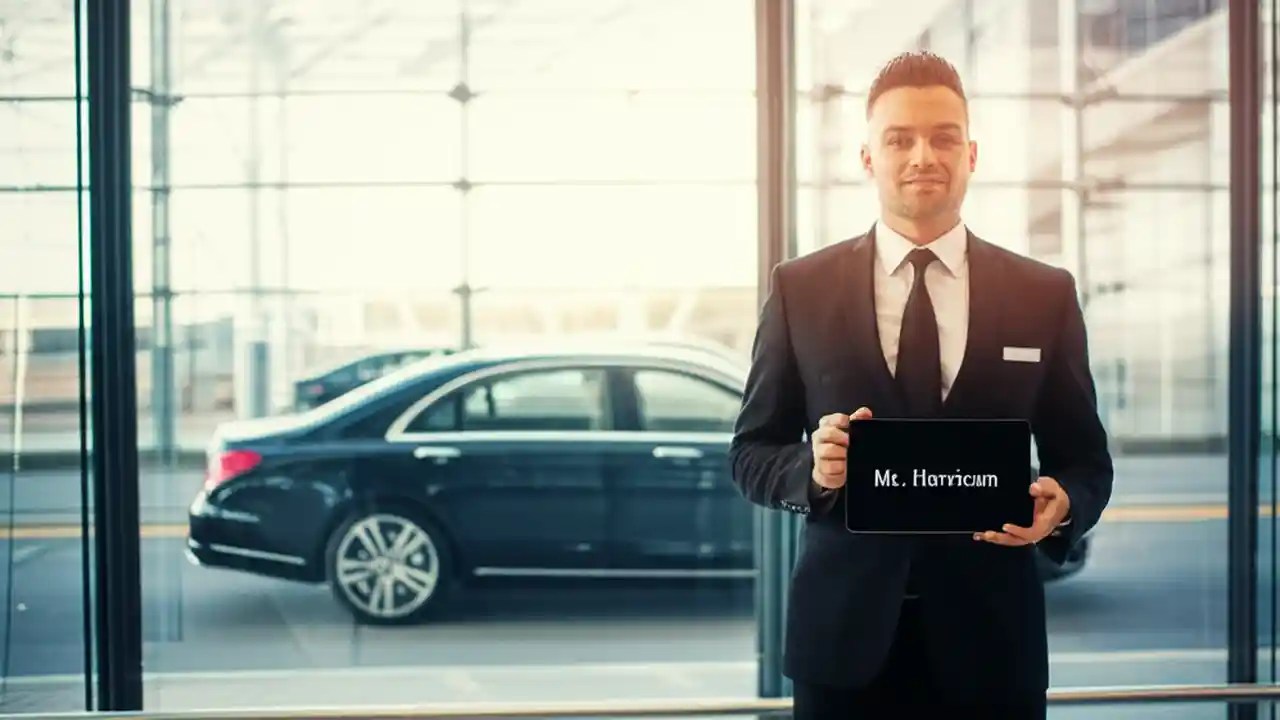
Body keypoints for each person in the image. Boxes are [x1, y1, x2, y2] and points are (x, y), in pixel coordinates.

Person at [729, 51, 1114, 718]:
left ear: (971, 153)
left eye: (942, 137)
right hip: (843, 646)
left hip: (993, 646)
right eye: (899, 139)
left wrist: (1064, 506)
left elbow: (1085, 459)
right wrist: (814, 472)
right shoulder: (801, 289)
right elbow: (751, 453)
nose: (922, 156)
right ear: (868, 158)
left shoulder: (1043, 294)